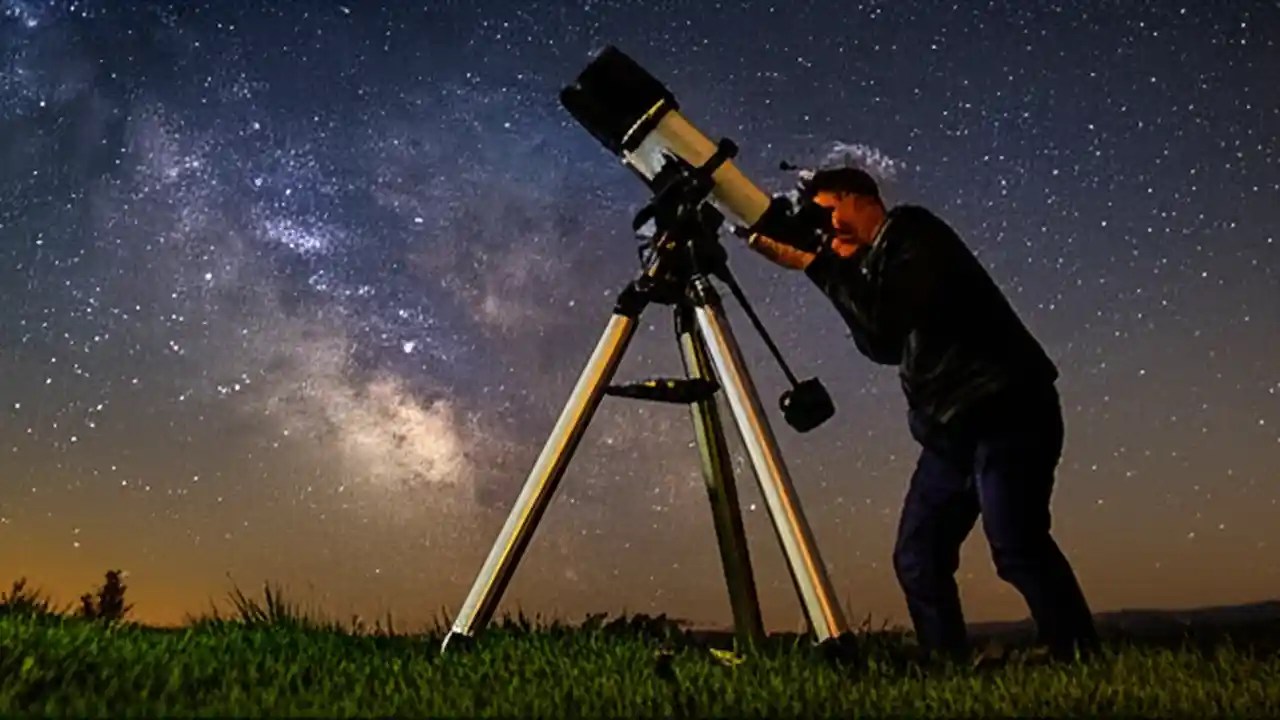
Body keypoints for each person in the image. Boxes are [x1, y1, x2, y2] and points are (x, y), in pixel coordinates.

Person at [746, 166, 1099, 662]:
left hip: (1005, 407)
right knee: (918, 556)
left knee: (1016, 542)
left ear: (858, 196)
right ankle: (944, 661)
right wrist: (836, 265)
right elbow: (879, 345)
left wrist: (818, 264)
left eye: (827, 211)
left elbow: (886, 325)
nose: (826, 226)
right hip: (950, 428)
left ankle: (1076, 652)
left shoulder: (914, 232)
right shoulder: (876, 263)